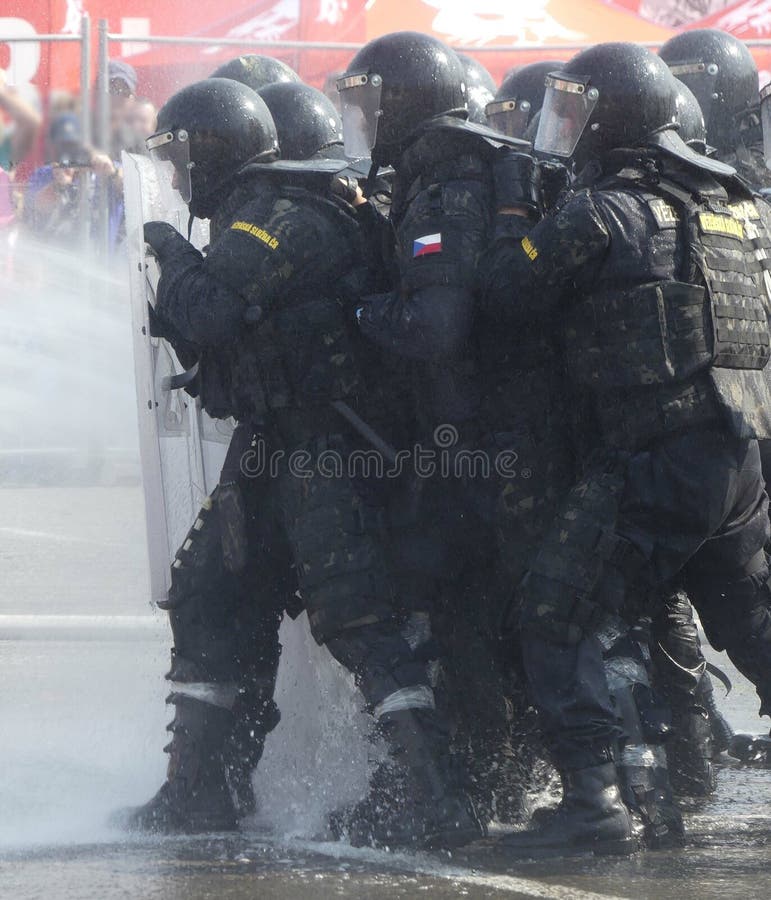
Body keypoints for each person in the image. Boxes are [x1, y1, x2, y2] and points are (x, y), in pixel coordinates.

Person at [117, 76, 479, 849]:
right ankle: (201, 789)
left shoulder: (285, 215)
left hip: (328, 447)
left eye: (185, 159)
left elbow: (209, 308)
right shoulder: (270, 210)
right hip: (275, 443)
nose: (180, 178)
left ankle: (435, 797)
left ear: (219, 149)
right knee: (211, 594)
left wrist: (170, 248)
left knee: (358, 617)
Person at [480, 42, 771, 857]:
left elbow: (509, 293)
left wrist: (512, 208)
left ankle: (593, 804)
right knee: (750, 623)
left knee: (557, 611)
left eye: (575, 111)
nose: (563, 127)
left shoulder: (604, 209)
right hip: (739, 457)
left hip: (654, 458)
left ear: (612, 120)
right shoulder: (735, 202)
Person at [336, 30, 560, 830]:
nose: (362, 120)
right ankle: (503, 777)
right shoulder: (455, 174)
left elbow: (435, 326)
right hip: (499, 436)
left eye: (369, 101)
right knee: (493, 611)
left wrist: (359, 311)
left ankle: (478, 784)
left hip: (475, 443)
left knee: (457, 608)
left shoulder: (446, 186)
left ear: (403, 101)